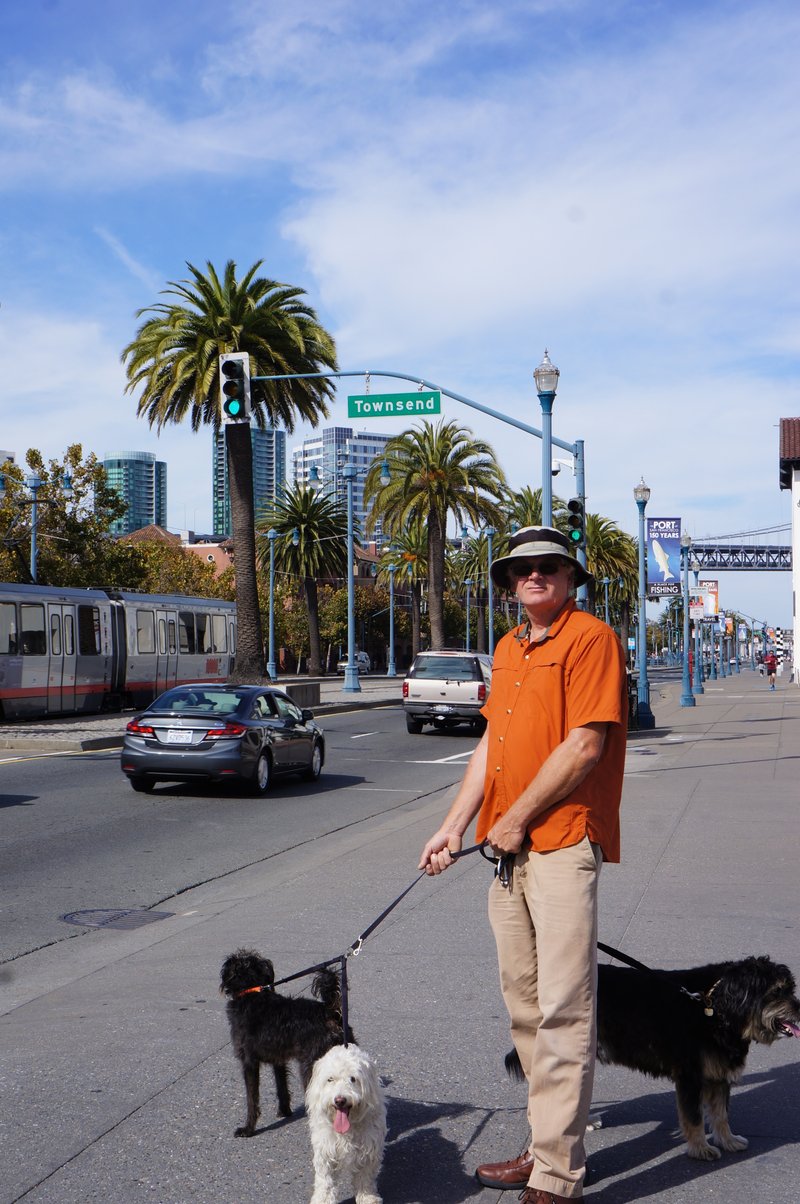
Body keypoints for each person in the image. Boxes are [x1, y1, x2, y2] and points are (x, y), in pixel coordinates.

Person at [419, 526, 628, 1204]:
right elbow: (492, 745)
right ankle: (544, 1148)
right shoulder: (509, 649)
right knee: (527, 1013)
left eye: (547, 567)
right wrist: (451, 828)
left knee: (565, 1009)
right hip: (508, 855)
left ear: (569, 578)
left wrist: (514, 820)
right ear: (508, 583)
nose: (533, 577)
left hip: (563, 842)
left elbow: (584, 746)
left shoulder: (590, 638)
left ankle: (558, 1177)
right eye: (520, 569)